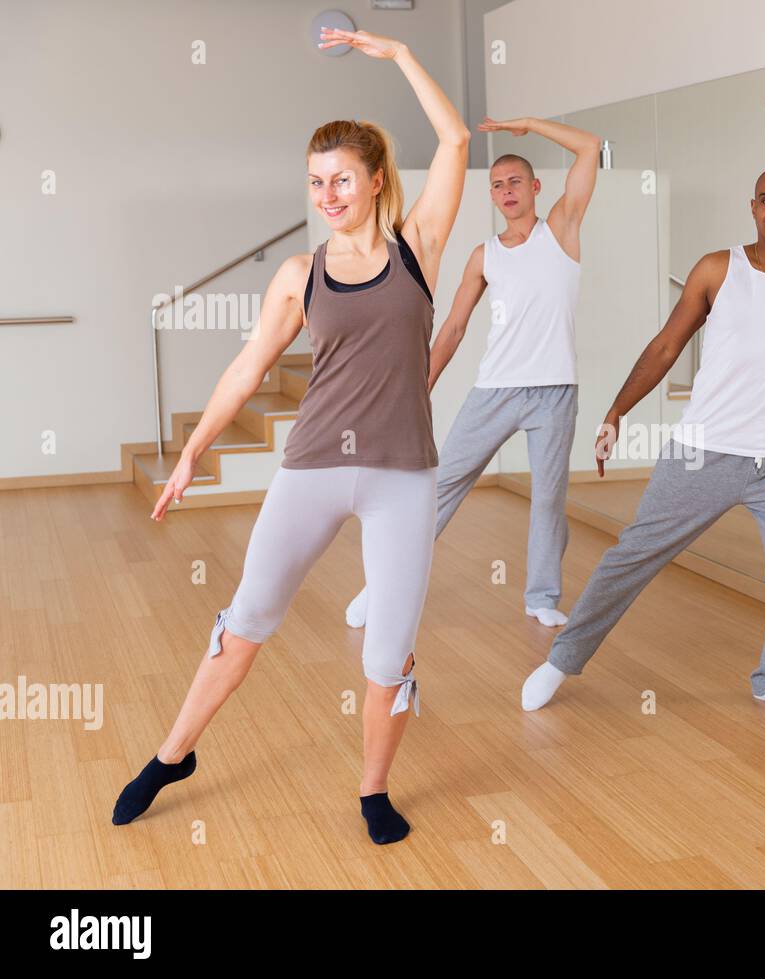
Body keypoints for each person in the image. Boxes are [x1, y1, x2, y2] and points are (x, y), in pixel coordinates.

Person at [111, 27, 469, 843]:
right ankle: (172, 756)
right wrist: (193, 451)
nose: (328, 192)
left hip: (404, 478)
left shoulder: (420, 249)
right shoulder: (298, 276)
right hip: (312, 468)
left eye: (342, 177)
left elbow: (454, 138)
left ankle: (374, 790)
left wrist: (400, 55)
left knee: (389, 657)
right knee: (244, 623)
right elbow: (245, 371)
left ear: (376, 180)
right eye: (316, 182)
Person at [521, 84, 765, 714]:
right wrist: (617, 411)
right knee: (633, 557)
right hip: (705, 452)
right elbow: (667, 346)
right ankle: (562, 662)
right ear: (752, 207)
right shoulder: (717, 269)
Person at [345, 118, 600, 632]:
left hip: (555, 392)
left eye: (515, 183)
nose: (506, 192)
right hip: (495, 391)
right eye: (497, 185)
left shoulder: (563, 231)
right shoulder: (485, 256)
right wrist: (418, 390)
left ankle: (542, 596)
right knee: (442, 487)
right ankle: (383, 587)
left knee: (549, 498)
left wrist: (525, 125)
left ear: (535, 188)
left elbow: (589, 147)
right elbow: (454, 327)